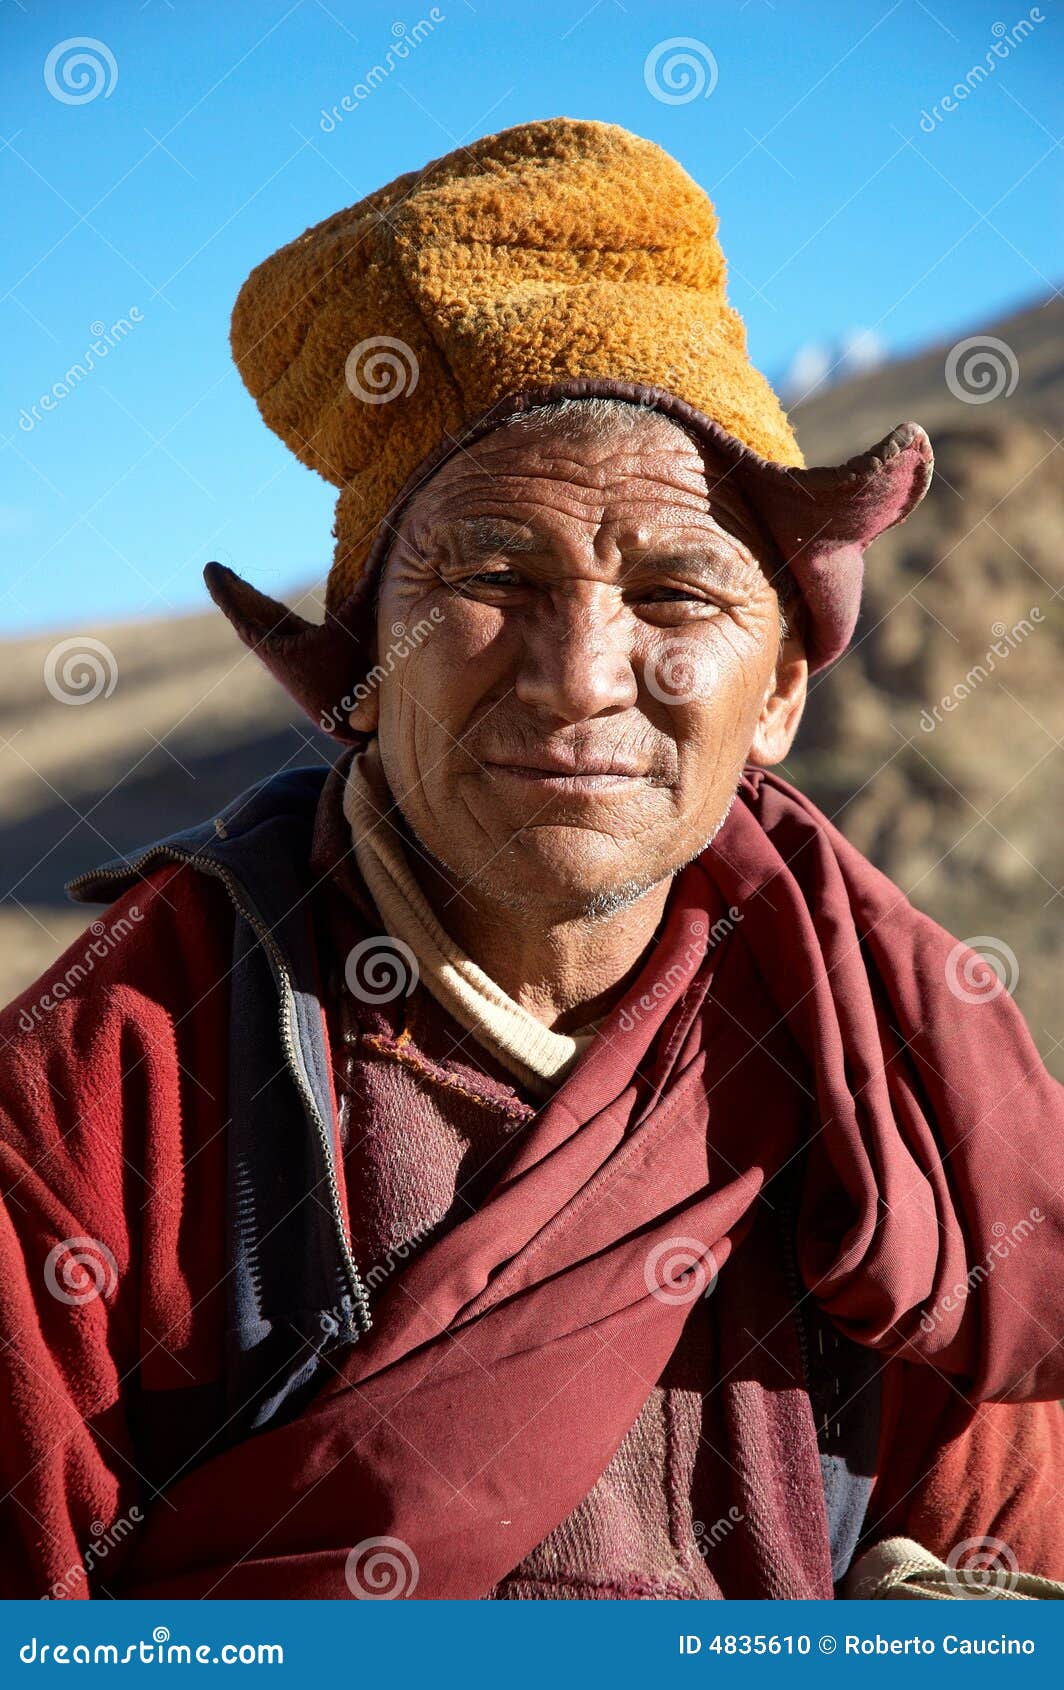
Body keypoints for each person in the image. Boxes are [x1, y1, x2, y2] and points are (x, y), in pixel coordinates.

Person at [1, 118, 1061, 1602]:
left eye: (679, 591)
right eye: (491, 577)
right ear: (363, 662)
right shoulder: (119, 1070)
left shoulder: (897, 1077)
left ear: (783, 692)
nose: (579, 674)